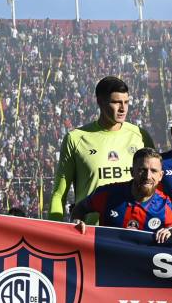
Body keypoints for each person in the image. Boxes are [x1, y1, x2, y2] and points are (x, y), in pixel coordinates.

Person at [49, 76, 156, 221]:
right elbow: (59, 194)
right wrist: (53, 235)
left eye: (126, 102)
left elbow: (156, 186)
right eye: (116, 102)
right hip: (91, 236)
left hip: (132, 233)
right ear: (100, 101)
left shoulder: (140, 136)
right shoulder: (75, 139)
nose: (123, 108)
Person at [70, 148, 172, 243]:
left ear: (161, 176)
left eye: (153, 171)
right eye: (142, 170)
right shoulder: (108, 193)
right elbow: (80, 208)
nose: (148, 176)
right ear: (132, 172)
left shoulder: (164, 205)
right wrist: (76, 222)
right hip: (108, 268)